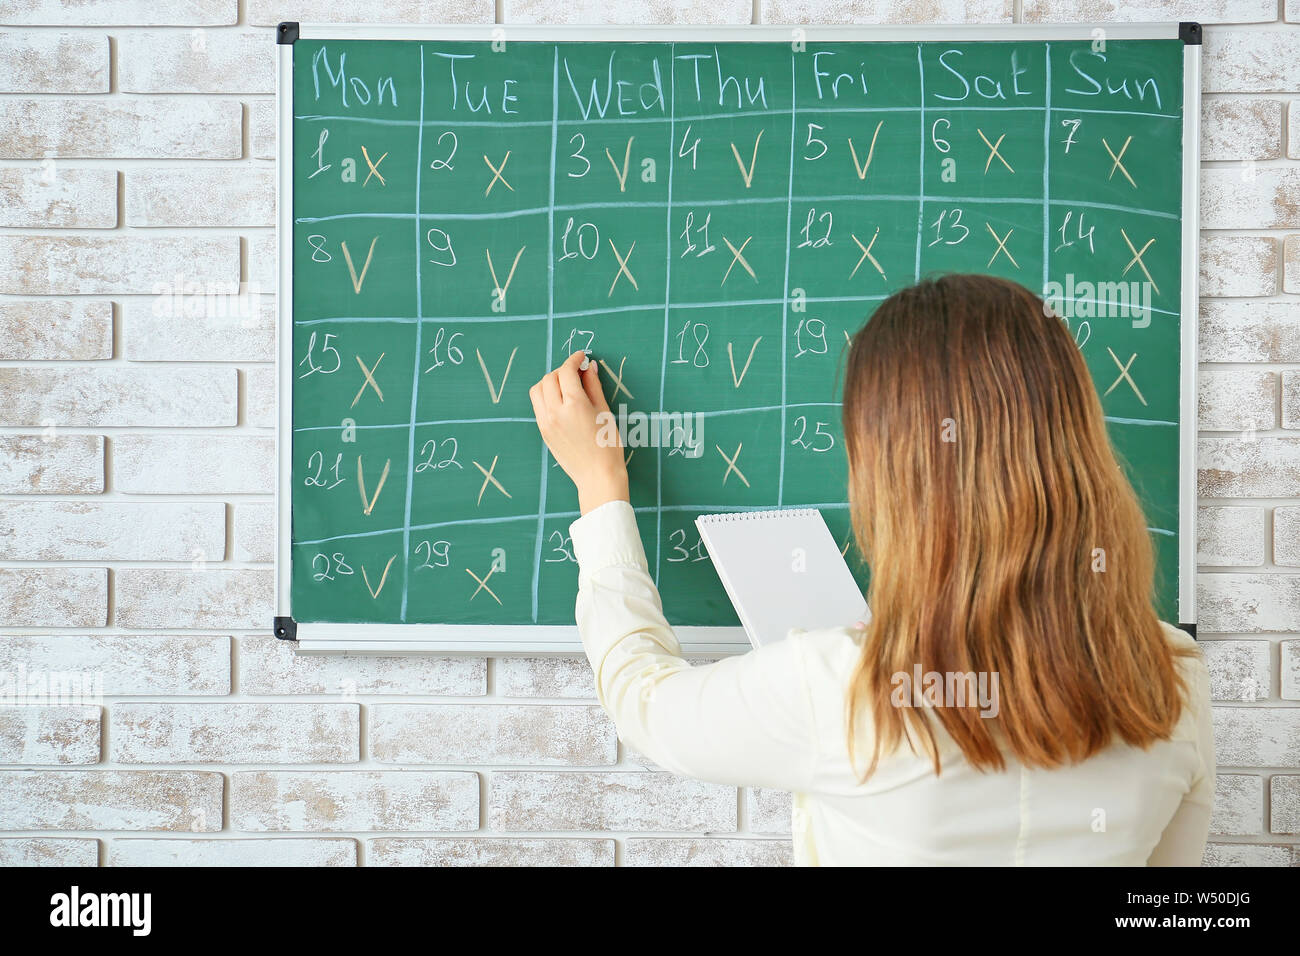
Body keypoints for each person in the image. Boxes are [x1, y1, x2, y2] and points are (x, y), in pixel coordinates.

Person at [528, 273, 1213, 866]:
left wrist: (600, 486)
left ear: (891, 478)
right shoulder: (1174, 681)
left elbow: (645, 700)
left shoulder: (838, 691)